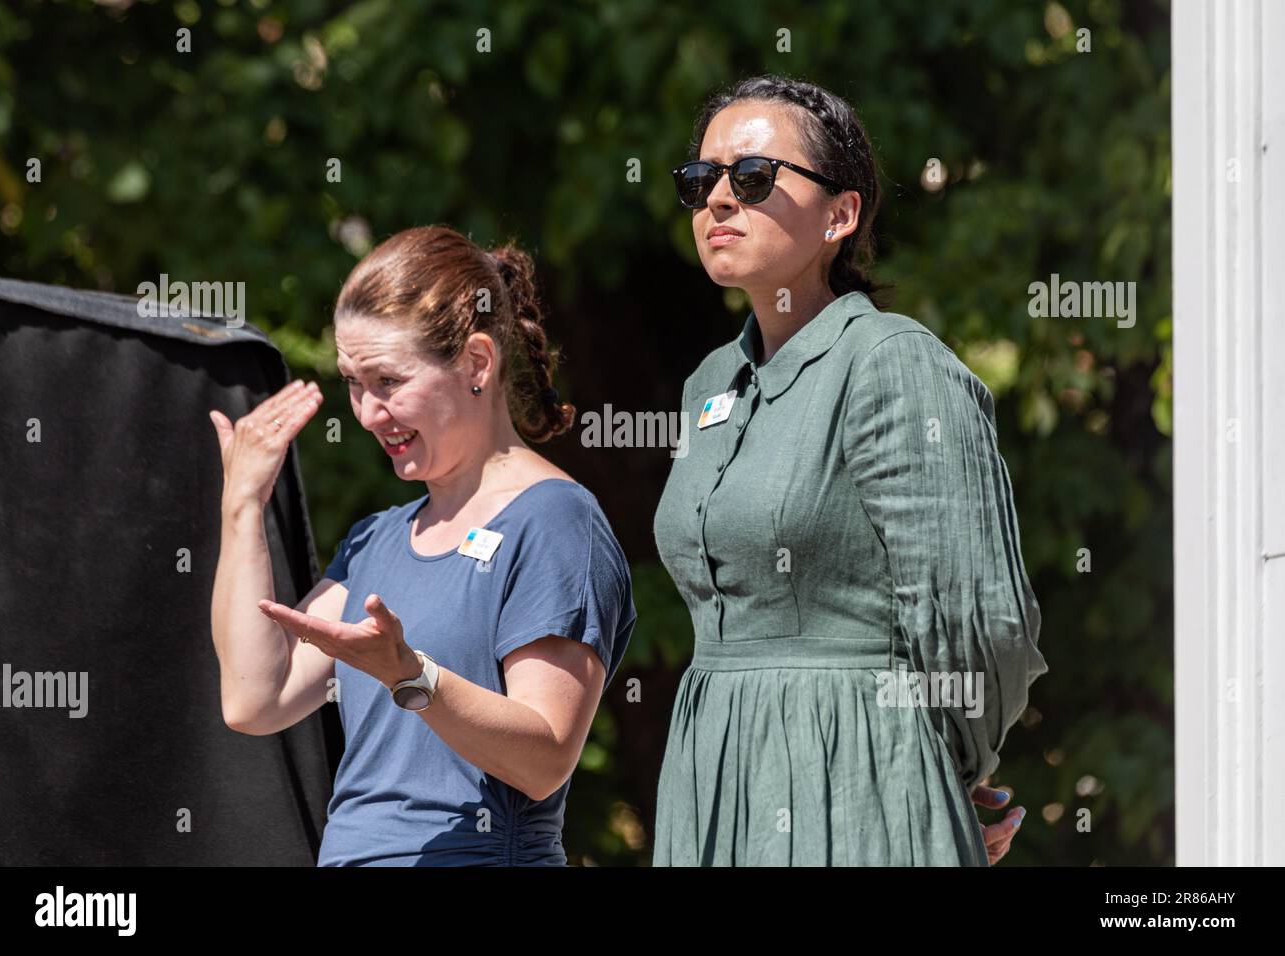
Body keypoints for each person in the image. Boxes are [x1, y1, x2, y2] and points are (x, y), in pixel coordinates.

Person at [651, 74, 1048, 866]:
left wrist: (941, 772)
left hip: (863, 774)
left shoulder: (892, 364)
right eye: (700, 182)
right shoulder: (706, 387)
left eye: (753, 177)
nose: (718, 201)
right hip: (712, 771)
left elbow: (981, 621)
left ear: (842, 214)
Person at [208, 225, 636, 866]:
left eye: (388, 381)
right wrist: (241, 507)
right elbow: (253, 698)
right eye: (354, 383)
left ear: (477, 365)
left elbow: (544, 757)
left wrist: (412, 678)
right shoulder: (377, 538)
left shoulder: (555, 521)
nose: (367, 412)